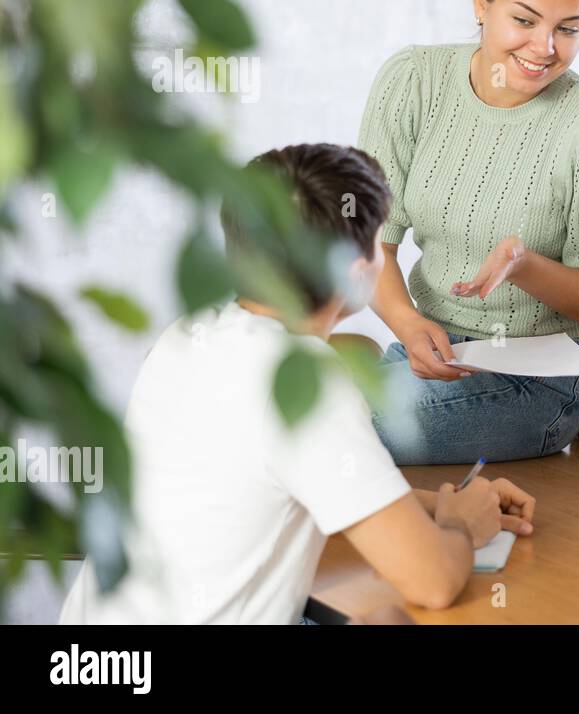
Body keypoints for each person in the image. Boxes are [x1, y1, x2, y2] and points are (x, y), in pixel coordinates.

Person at [59, 145, 536, 624]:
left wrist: (434, 505)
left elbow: (279, 478)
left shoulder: (187, 335)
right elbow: (431, 582)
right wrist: (459, 526)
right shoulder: (307, 383)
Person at [358, 0, 579, 465]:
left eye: (569, 28)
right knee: (283, 404)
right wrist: (407, 323)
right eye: (524, 19)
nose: (544, 48)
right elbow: (371, 240)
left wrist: (525, 265)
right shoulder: (412, 82)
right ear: (480, 1)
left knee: (334, 432)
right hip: (435, 351)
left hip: (541, 381)